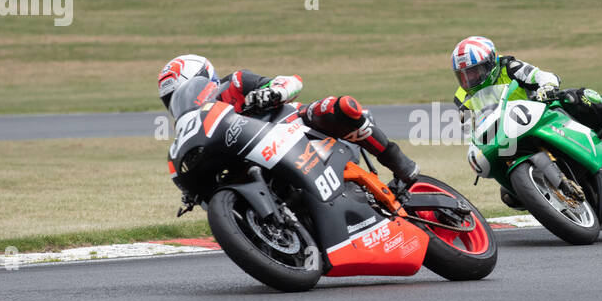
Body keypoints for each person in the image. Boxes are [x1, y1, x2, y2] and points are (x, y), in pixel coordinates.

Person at [157, 53, 420, 183]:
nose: (178, 101)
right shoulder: (194, 128)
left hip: (294, 127)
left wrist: (272, 92)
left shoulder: (235, 83)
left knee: (338, 107)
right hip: (265, 162)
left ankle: (398, 161)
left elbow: (291, 81)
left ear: (207, 77)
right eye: (171, 100)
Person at [450, 36, 602, 163]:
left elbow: (543, 76)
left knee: (576, 98)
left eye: (475, 72)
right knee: (508, 194)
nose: (470, 79)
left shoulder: (508, 67)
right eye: (464, 75)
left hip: (541, 113)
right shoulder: (462, 97)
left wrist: (546, 88)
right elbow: (470, 128)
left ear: (490, 63)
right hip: (508, 134)